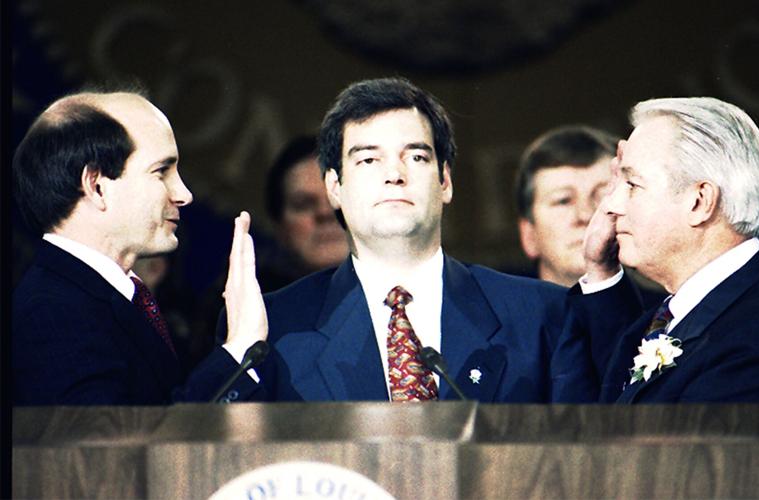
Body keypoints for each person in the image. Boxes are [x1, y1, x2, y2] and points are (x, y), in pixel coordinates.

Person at [220, 77, 582, 403]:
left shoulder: (541, 315)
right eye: (368, 160)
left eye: (417, 156)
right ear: (334, 188)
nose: (395, 174)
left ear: (445, 181)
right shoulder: (273, 327)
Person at [12, 90, 268, 405]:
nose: (184, 194)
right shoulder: (50, 315)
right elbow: (113, 452)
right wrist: (240, 350)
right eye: (161, 171)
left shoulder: (108, 300)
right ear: (97, 186)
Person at [566, 97, 759, 403]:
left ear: (700, 202)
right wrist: (601, 271)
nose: (610, 205)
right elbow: (627, 393)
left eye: (633, 185)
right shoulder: (710, 306)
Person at [515, 126, 617, 286]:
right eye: (563, 200)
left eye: (603, 196)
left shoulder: (668, 309)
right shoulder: (506, 310)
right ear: (529, 236)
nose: (585, 215)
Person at [259, 135, 349, 292]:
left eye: (338, 197)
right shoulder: (244, 309)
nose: (325, 212)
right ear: (279, 227)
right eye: (303, 205)